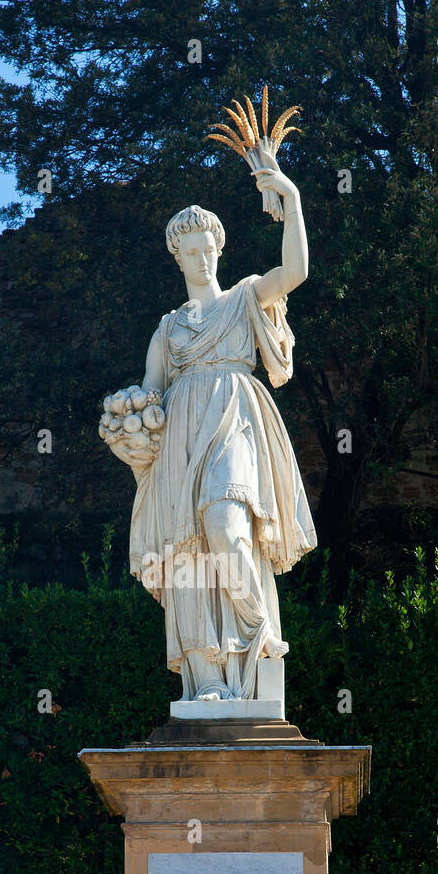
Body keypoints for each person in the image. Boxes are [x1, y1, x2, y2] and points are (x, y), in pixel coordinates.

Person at [107, 151, 317, 702]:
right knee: (188, 554)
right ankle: (208, 679)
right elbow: (147, 399)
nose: (201, 260)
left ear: (219, 251)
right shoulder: (168, 329)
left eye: (208, 249)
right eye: (190, 252)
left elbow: (294, 273)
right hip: (180, 435)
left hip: (235, 419)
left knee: (226, 526)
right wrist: (128, 428)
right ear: (178, 259)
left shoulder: (246, 297)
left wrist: (290, 198)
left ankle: (257, 633)